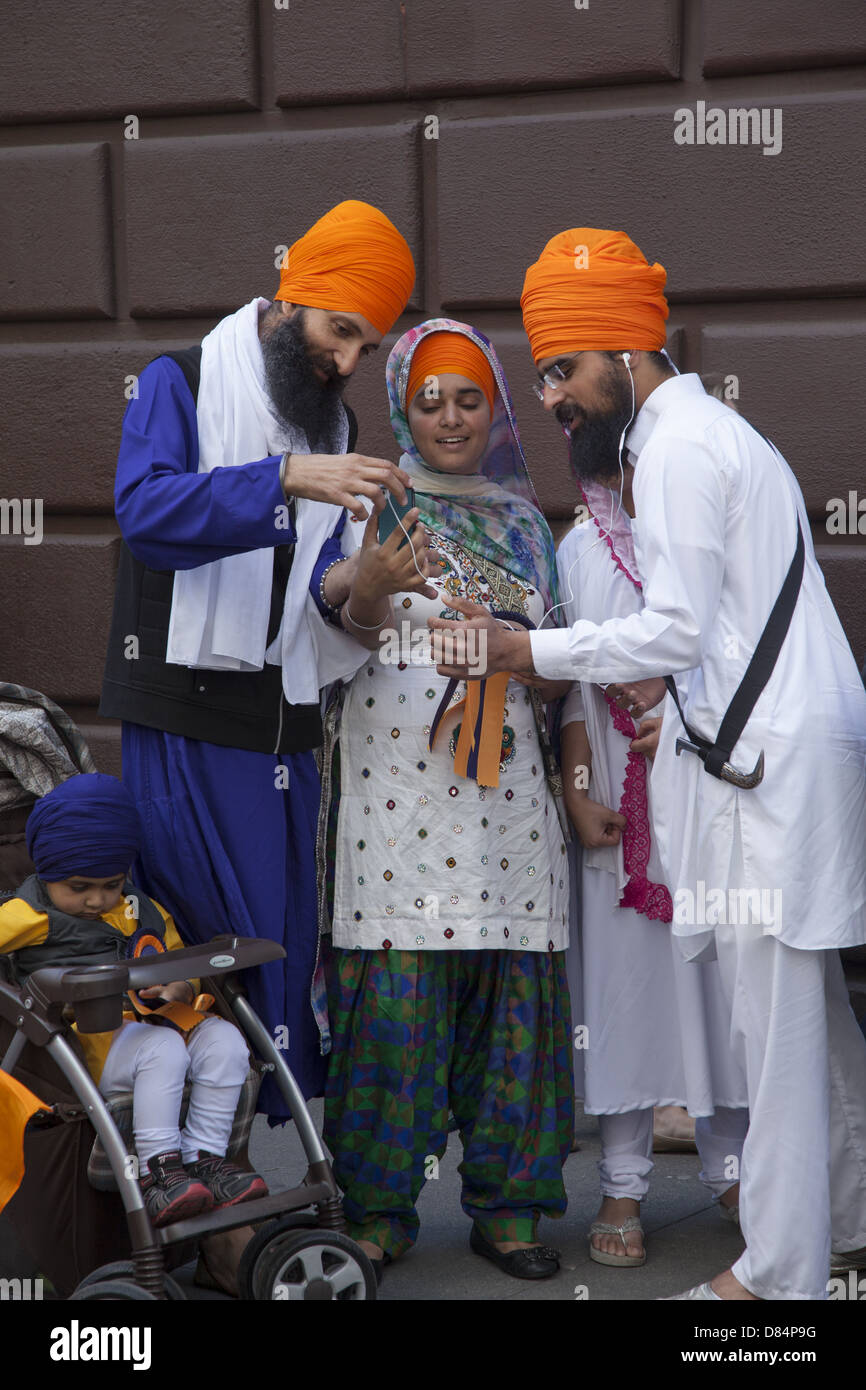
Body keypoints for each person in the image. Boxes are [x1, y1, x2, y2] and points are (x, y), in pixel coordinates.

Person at [429, 227, 866, 1301]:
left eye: (562, 373)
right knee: (814, 1022)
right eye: (538, 379)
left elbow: (670, 630)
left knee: (777, 1036)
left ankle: (776, 1281)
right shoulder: (711, 434)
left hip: (769, 769)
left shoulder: (670, 447)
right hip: (781, 754)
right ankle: (847, 1220)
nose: (550, 401)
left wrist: (523, 647)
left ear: (625, 352)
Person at [99, 200, 416, 1122]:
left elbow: (316, 585)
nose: (347, 363)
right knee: (204, 960)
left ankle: (235, 1186)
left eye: (366, 347)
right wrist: (280, 479)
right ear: (293, 299)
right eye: (339, 332)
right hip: (185, 718)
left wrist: (366, 576)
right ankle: (189, 1176)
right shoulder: (180, 379)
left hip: (285, 729)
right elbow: (146, 513)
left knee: (274, 958)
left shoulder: (337, 429)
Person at [313, 319, 575, 1280]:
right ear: (402, 410)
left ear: (493, 406)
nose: (450, 417)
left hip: (505, 807)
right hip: (395, 809)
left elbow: (560, 669)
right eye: (431, 401)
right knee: (396, 1009)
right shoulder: (368, 502)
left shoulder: (520, 522)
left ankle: (510, 1210)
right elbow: (335, 613)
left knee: (511, 1001)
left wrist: (518, 652)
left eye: (468, 398)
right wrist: (372, 587)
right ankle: (378, 1212)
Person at [559, 461, 747, 1267]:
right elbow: (566, 684)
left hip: (707, 798)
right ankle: (624, 1182)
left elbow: (738, 657)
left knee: (718, 992)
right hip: (614, 799)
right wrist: (576, 790)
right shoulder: (577, 548)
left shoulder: (712, 535)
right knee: (623, 996)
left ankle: (735, 1168)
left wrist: (678, 712)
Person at [0, 773, 267, 1227]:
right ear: (47, 875)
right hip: (94, 1045)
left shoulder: (141, 910)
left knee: (225, 1038)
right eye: (79, 888)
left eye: (110, 884)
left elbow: (179, 959)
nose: (97, 900)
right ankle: (158, 1172)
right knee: (160, 1049)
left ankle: (204, 1158)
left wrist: (182, 987)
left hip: (156, 1024)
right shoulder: (29, 914)